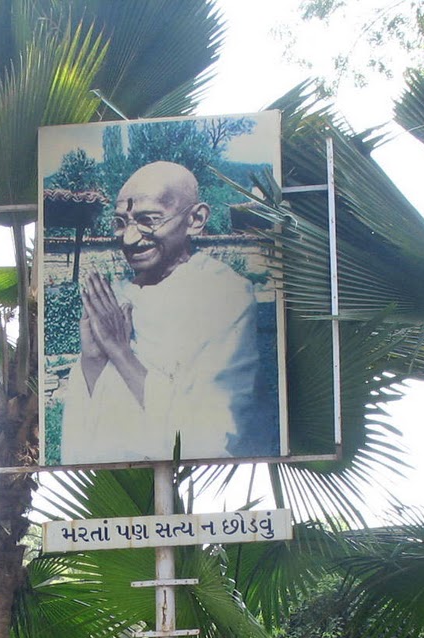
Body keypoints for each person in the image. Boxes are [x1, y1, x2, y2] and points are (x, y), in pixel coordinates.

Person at [57, 160, 272, 465]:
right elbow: (88, 423)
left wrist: (120, 352)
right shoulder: (118, 295)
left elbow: (210, 433)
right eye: (121, 223)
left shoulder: (224, 295)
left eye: (148, 220)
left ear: (195, 220)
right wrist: (92, 360)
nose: (129, 239)